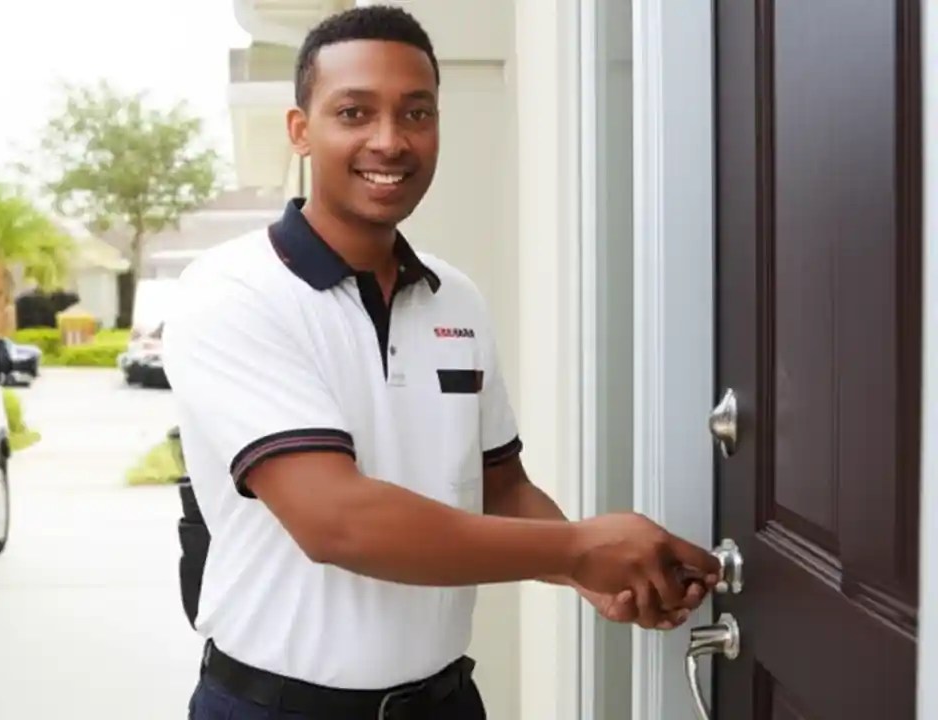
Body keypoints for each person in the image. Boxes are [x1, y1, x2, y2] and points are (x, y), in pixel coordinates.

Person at [162, 6, 720, 719]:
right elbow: (337, 522)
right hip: (278, 708)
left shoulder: (455, 296)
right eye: (354, 112)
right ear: (301, 131)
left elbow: (500, 486)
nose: (390, 141)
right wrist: (581, 548)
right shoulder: (234, 291)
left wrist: (587, 574)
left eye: (416, 113)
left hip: (448, 703)